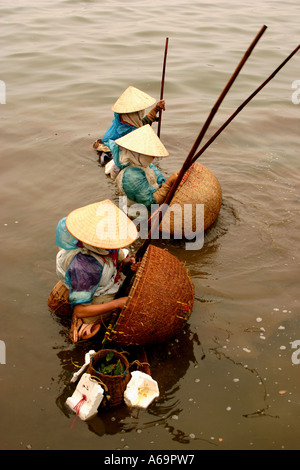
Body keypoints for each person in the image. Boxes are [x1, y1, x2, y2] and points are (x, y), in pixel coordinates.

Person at [55, 199, 138, 343]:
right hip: (85, 279)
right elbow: (79, 310)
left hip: (98, 275)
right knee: (88, 332)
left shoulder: (106, 246)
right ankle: (80, 322)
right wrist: (117, 303)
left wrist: (127, 264)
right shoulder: (85, 267)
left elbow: (117, 261)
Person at [105, 124, 178, 209]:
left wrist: (164, 182)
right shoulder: (131, 176)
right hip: (138, 215)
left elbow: (156, 174)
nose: (152, 157)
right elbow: (150, 202)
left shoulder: (141, 163)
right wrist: (169, 184)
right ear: (138, 153)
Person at [93, 86, 165, 165]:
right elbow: (140, 130)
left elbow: (141, 125)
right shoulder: (125, 131)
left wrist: (156, 109)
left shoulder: (124, 123)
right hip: (110, 156)